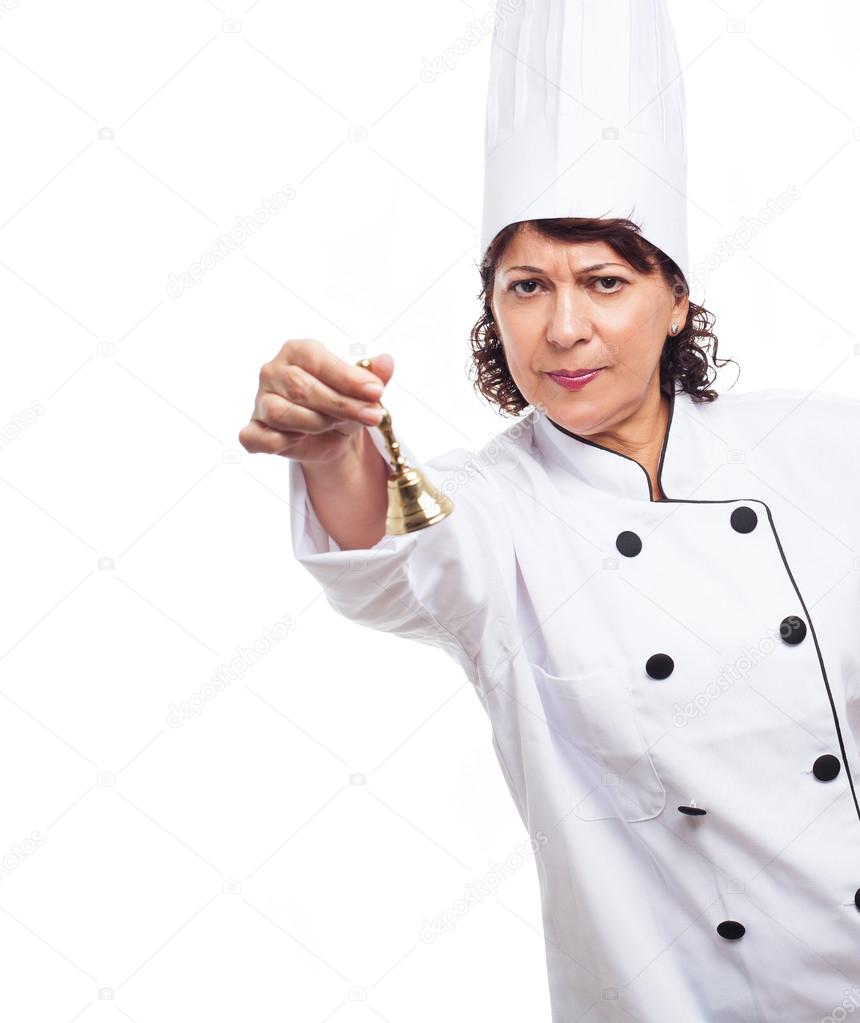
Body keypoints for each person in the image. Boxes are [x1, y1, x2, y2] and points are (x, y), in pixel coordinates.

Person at [239, 3, 860, 1019]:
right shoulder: (497, 507)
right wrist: (329, 448)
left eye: (603, 281)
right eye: (525, 286)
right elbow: (394, 548)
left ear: (675, 300)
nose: (562, 327)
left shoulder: (821, 444)